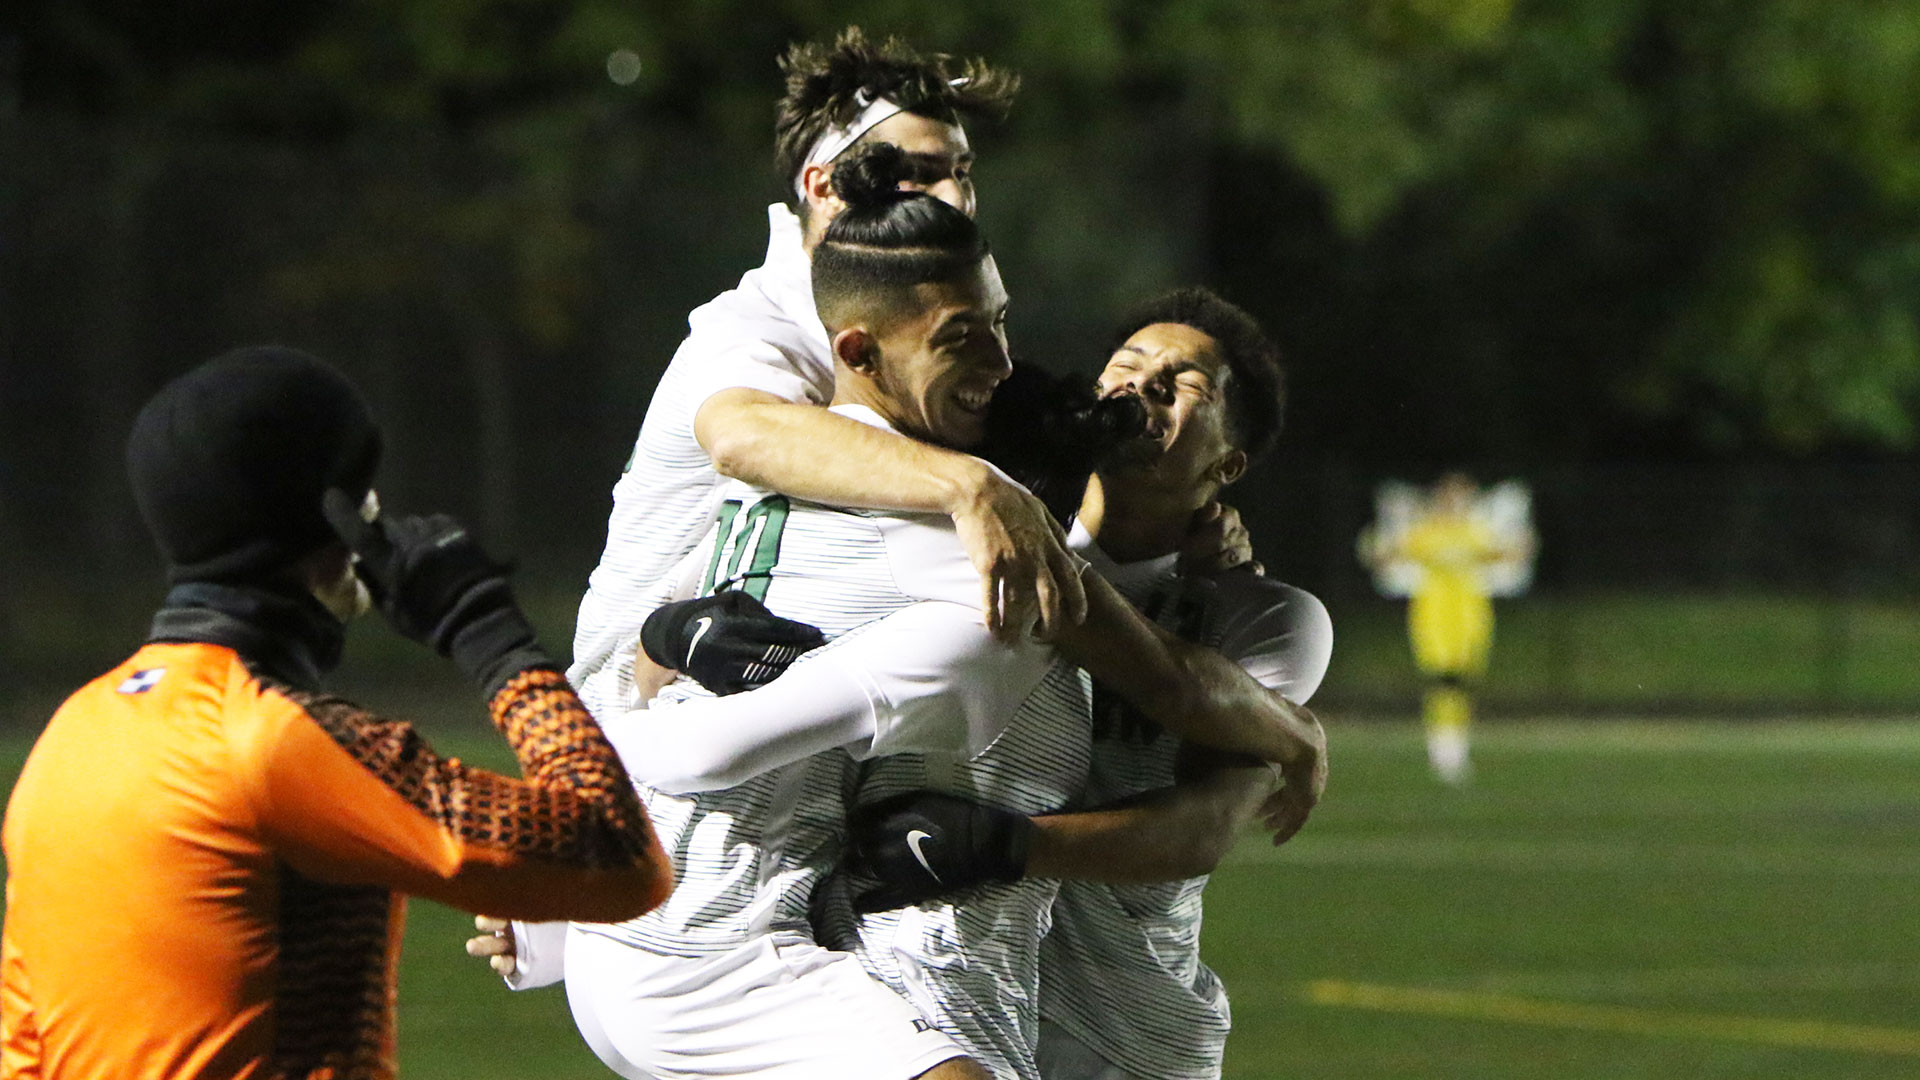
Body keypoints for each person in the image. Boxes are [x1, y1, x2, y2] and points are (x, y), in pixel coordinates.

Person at [476, 151, 1323, 1080]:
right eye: (965, 339)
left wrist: (1007, 845)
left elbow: (1195, 782)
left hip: (1098, 1013)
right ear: (857, 352)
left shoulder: (1225, 604)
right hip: (778, 956)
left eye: (1001, 327)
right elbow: (684, 710)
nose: (1000, 362)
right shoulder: (979, 551)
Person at [0, 348, 674, 1080]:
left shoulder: (68, 739)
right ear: (335, 517)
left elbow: (22, 1045)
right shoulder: (276, 740)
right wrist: (488, 635)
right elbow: (617, 858)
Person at [836, 288, 1332, 1080]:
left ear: (1228, 463)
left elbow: (1202, 829)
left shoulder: (1264, 616)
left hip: (1122, 1029)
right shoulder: (983, 544)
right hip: (941, 990)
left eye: (1186, 382)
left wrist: (998, 845)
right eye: (1127, 364)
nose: (1146, 382)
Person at [570, 26, 1093, 733]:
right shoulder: (756, 322)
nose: (956, 196)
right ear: (821, 186)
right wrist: (972, 485)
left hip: (763, 695)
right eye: (920, 172)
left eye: (962, 171)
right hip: (637, 700)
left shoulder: (910, 317)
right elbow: (741, 435)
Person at [1361, 472, 1533, 784]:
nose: (1454, 503)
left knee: (1464, 681)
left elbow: (1509, 555)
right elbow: (1386, 556)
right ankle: (1442, 749)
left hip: (1471, 615)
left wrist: (1522, 544)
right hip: (1433, 615)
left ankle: (1457, 746)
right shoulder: (1426, 532)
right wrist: (1376, 544)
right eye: (1449, 496)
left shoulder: (1475, 531)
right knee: (1442, 680)